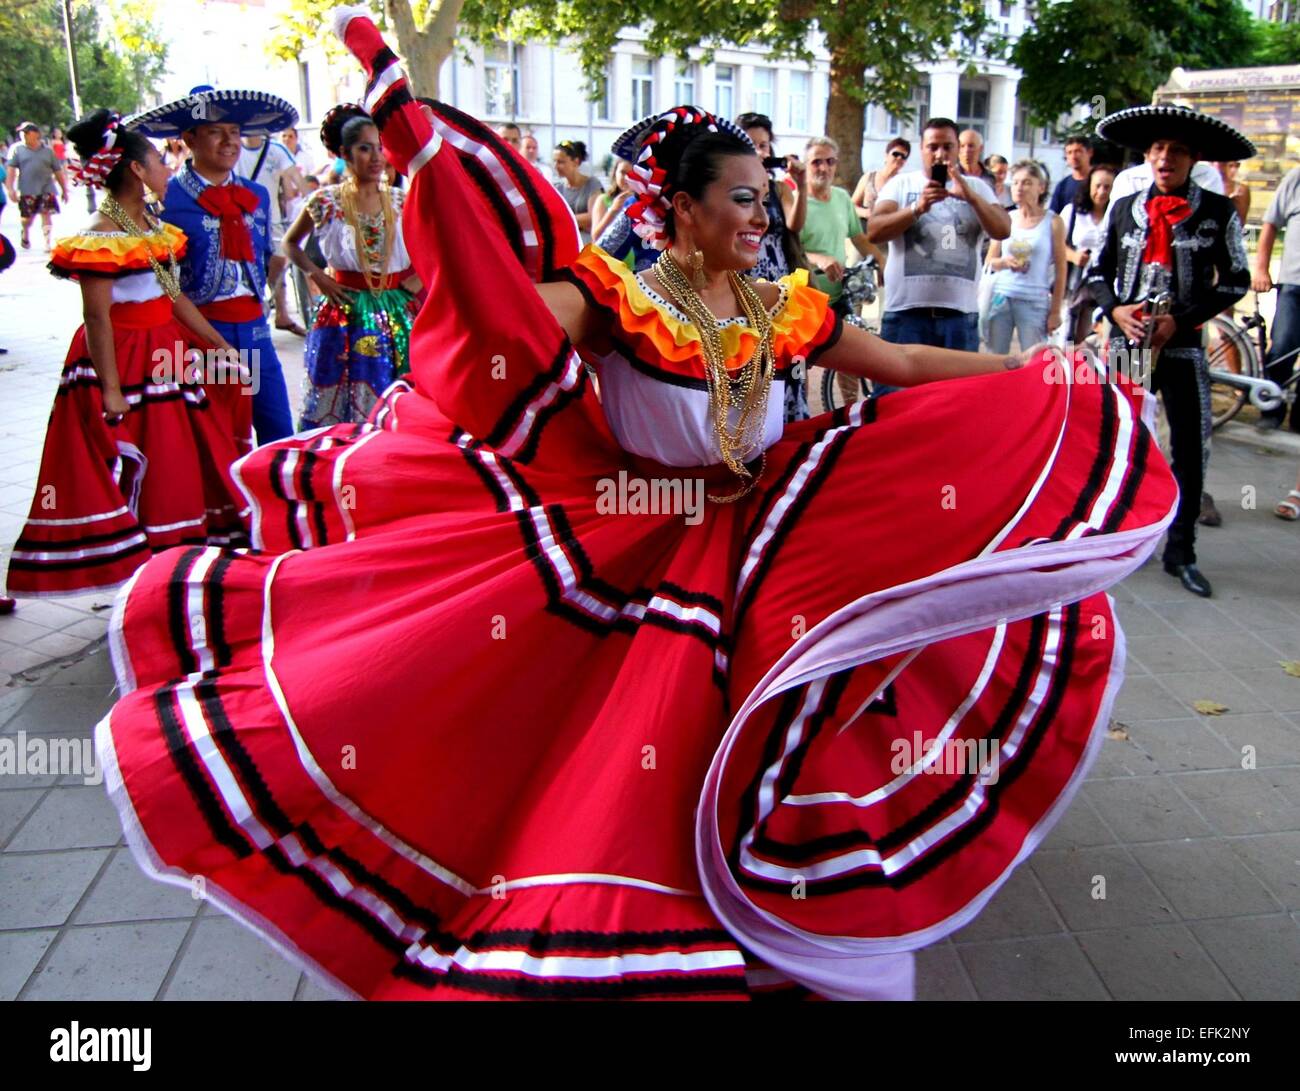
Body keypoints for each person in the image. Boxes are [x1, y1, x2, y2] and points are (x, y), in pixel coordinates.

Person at [94, 11, 1177, 1003]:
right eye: (744, 197)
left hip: (769, 534)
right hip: (633, 539)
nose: (766, 215)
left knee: (798, 712)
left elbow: (893, 356)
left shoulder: (782, 306)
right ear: (680, 206)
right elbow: (502, 329)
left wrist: (1034, 368)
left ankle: (785, 894)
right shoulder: (611, 295)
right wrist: (436, 174)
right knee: (621, 743)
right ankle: (637, 898)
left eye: (768, 197)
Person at [4, 109, 248, 597]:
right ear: (136, 170)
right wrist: (110, 390)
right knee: (142, 464)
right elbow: (97, 318)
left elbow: (174, 299)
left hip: (165, 353)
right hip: (125, 360)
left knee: (179, 457)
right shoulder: (102, 234)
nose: (164, 166)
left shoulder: (148, 229)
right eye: (157, 159)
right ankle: (146, 574)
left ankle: (175, 565)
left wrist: (220, 347)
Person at [1087, 104, 1253, 598]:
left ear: (1193, 158)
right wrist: (1115, 311)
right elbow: (1096, 274)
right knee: (1119, 442)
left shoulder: (1217, 211)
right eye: (1158, 149)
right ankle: (1116, 540)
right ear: (1147, 156)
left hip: (1182, 346)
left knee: (1190, 450)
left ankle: (1181, 552)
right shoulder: (1123, 208)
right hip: (1128, 344)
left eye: (1177, 150)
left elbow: (1238, 280)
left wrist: (1182, 319)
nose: (1166, 158)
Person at [126, 84, 300, 445]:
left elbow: (267, 255)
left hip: (255, 330)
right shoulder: (167, 201)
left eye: (234, 132)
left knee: (277, 430)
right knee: (214, 436)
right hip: (196, 335)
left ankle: (273, 502)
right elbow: (161, 280)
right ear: (189, 138)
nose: (229, 142)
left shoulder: (256, 196)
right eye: (215, 132)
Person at [283, 104, 421, 429]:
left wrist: (418, 277)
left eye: (380, 148)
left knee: (395, 396)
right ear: (344, 153)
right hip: (341, 310)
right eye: (364, 148)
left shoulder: (402, 201)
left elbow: (437, 245)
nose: (375, 157)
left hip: (396, 311)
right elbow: (290, 244)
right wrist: (317, 275)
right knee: (338, 396)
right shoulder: (325, 202)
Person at [868, 117, 1011, 352]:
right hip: (905, 314)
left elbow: (1003, 229)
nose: (940, 154)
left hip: (960, 316)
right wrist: (917, 208)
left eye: (947, 146)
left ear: (957, 148)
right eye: (932, 147)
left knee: (958, 390)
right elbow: (874, 231)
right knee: (897, 390)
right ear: (922, 149)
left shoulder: (977, 188)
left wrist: (972, 198)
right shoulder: (901, 184)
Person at [984, 160, 1066, 354]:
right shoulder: (1006, 217)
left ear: (1041, 187)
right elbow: (990, 260)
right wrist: (1005, 262)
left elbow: (1062, 269)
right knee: (994, 359)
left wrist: (1055, 311)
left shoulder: (1053, 222)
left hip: (1034, 301)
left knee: (1035, 358)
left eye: (1027, 182)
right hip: (1002, 297)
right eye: (1015, 182)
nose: (1020, 188)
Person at [238, 130, 307, 335]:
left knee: (279, 260)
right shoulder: (234, 150)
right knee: (249, 267)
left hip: (271, 219)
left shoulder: (276, 150)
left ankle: (281, 313)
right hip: (241, 220)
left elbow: (296, 177)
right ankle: (257, 313)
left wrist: (313, 202)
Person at [1253, 164, 1300, 433]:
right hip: (1294, 282)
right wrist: (1261, 267)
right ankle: (1271, 408)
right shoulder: (1296, 178)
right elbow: (1270, 224)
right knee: (1283, 347)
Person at [799, 136, 872, 309]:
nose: (824, 168)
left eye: (830, 162)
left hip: (839, 297)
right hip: (805, 300)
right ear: (805, 166)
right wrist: (819, 259)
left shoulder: (842, 197)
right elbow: (790, 249)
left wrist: (882, 262)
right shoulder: (794, 203)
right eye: (816, 162)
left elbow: (859, 238)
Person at [1062, 164, 1116, 346]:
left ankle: (1100, 373)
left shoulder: (1119, 213)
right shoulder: (1073, 212)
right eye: (1098, 186)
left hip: (1107, 287)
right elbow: (1056, 245)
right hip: (1076, 283)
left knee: (1101, 340)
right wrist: (1073, 255)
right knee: (1070, 338)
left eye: (1108, 187)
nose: (1101, 192)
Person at [6, 122, 68, 251]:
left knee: (46, 214)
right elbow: (11, 170)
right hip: (27, 189)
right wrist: (10, 189)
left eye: (27, 132)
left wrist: (64, 189)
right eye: (22, 132)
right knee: (27, 219)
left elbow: (57, 171)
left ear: (36, 134)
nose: (24, 135)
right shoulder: (17, 149)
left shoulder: (47, 151)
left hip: (47, 188)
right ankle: (25, 231)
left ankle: (47, 242)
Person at [852, 138, 910, 228]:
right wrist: (865, 213)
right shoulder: (869, 177)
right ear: (886, 155)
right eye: (896, 154)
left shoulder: (904, 183)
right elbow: (851, 206)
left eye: (903, 156)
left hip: (889, 233)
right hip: (865, 231)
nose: (899, 158)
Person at [552, 139, 601, 243]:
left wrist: (564, 220)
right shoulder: (557, 188)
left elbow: (593, 216)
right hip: (565, 242)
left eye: (561, 162)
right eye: (554, 161)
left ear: (576, 161)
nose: (556, 166)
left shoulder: (592, 184)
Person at [590, 158, 632, 241]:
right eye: (623, 172)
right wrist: (613, 210)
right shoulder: (603, 200)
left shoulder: (646, 201)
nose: (626, 177)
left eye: (631, 173)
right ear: (615, 173)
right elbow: (596, 236)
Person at [1049, 136, 1093, 213]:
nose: (1073, 156)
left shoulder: (1099, 182)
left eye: (1078, 151)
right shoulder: (1062, 186)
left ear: (1090, 152)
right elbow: (1054, 215)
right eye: (1069, 153)